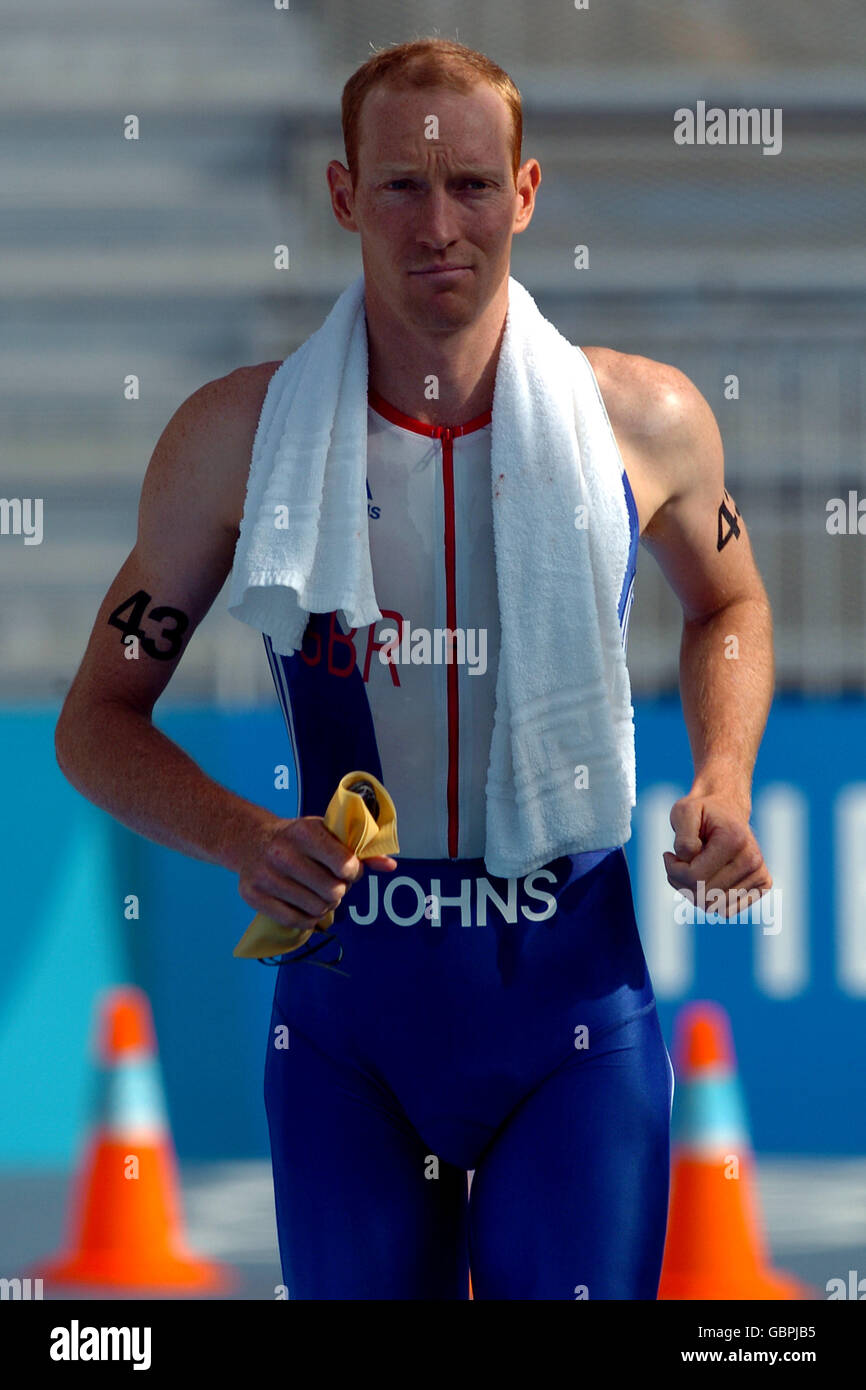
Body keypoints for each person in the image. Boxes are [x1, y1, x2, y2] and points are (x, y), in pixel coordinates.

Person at [55, 37, 774, 1300]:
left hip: (572, 1002)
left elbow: (729, 602)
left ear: (527, 192)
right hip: (349, 1011)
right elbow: (97, 718)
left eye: (472, 187)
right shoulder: (236, 438)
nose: (439, 224)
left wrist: (723, 769)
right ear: (341, 197)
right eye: (400, 187)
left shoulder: (646, 420)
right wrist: (239, 836)